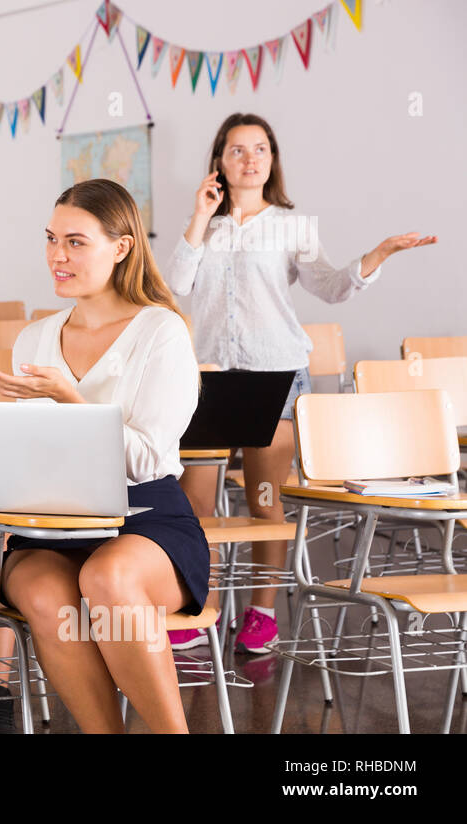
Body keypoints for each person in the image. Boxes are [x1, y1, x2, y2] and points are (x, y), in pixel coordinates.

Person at [0, 179, 208, 733]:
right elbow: (29, 447)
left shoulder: (161, 333)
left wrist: (73, 401)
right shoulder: (36, 338)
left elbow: (144, 461)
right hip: (50, 523)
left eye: (75, 242)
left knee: (108, 579)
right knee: (45, 595)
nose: (56, 256)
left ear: (121, 248)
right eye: (51, 239)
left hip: (141, 516)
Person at [165, 113, 437, 654]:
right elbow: (176, 284)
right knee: (195, 506)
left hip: (277, 379)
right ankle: (201, 606)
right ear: (219, 159)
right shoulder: (204, 225)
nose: (249, 158)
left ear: (272, 158)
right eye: (236, 149)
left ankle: (262, 611)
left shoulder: (294, 227)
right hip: (211, 381)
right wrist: (199, 217)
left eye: (259, 148)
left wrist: (378, 254)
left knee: (264, 501)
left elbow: (332, 287)